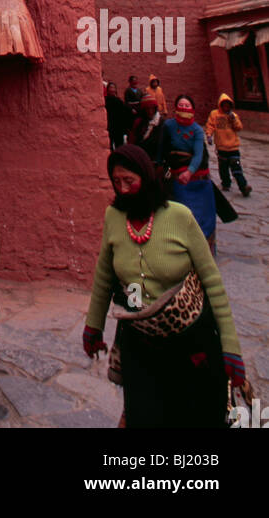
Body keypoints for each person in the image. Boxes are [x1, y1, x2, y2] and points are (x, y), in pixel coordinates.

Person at [83, 145, 246, 428]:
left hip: (190, 340)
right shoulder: (114, 217)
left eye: (129, 181)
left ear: (145, 177)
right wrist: (92, 326)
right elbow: (103, 276)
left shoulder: (179, 216)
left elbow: (213, 282)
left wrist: (231, 346)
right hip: (140, 344)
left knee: (193, 417)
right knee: (144, 416)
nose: (122, 189)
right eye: (116, 182)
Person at [158, 94, 217, 252]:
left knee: (204, 215)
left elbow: (198, 154)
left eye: (187, 106)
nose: (184, 108)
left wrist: (189, 172)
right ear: (176, 108)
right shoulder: (169, 126)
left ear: (192, 109)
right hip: (179, 178)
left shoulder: (197, 130)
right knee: (183, 213)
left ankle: (204, 249)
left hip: (197, 179)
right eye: (181, 105)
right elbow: (162, 147)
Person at [206, 93, 252, 196]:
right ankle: (226, 183)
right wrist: (209, 135)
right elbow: (210, 125)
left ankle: (243, 186)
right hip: (221, 148)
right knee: (223, 168)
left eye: (228, 105)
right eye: (224, 105)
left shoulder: (233, 116)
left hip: (233, 148)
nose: (226, 107)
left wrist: (234, 120)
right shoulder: (214, 114)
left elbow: (239, 127)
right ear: (220, 105)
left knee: (236, 168)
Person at [127, 92, 164, 161]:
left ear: (155, 108)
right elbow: (132, 141)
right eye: (147, 109)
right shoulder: (138, 123)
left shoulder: (161, 123)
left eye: (152, 108)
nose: (150, 111)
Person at [104, 81, 130, 150]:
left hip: (118, 127)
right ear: (107, 90)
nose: (112, 89)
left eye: (113, 88)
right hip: (109, 126)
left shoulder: (119, 101)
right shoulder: (105, 100)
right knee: (109, 145)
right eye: (110, 88)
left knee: (119, 145)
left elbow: (124, 112)